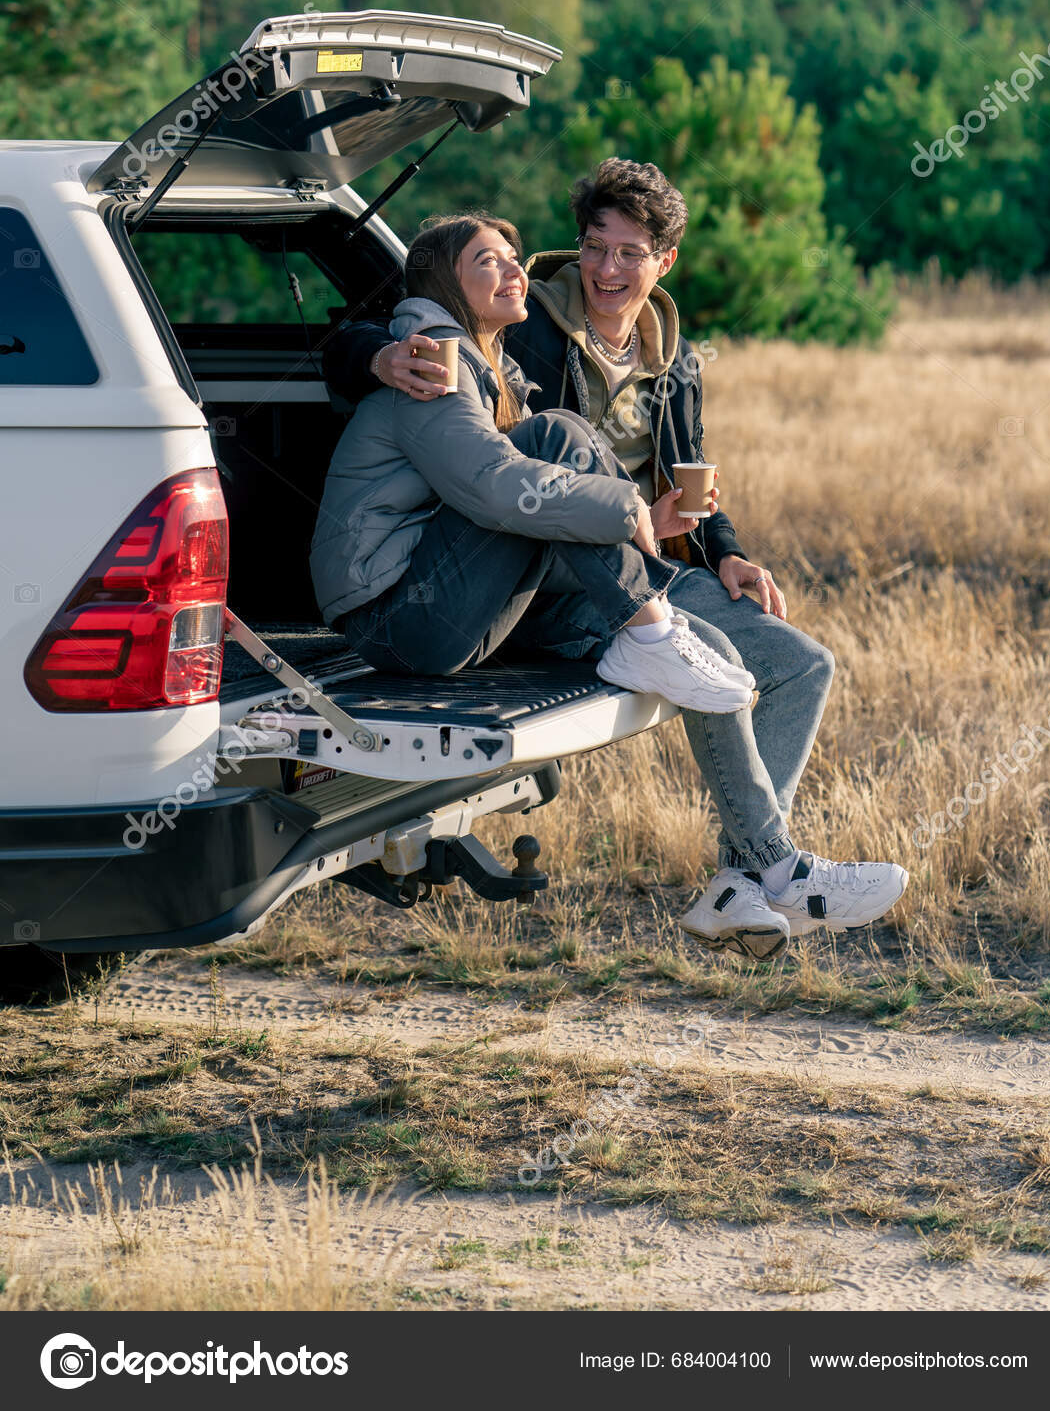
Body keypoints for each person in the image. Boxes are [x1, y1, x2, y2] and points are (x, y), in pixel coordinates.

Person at [321, 162, 908, 958]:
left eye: (630, 253)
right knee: (700, 641)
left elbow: (685, 473)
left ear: (664, 261)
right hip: (542, 565)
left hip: (632, 552)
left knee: (801, 663)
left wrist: (724, 551)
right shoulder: (524, 319)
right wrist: (375, 357)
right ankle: (776, 864)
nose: (606, 269)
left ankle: (742, 882)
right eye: (595, 247)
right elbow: (384, 327)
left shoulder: (675, 358)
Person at [310, 213, 762, 747]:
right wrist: (627, 506)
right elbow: (493, 485)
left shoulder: (494, 368)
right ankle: (651, 637)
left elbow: (539, 516)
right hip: (397, 624)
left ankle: (651, 634)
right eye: (488, 261)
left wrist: (648, 525)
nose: (514, 271)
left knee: (562, 441)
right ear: (447, 285)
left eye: (512, 258)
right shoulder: (431, 363)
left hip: (446, 615)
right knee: (555, 435)